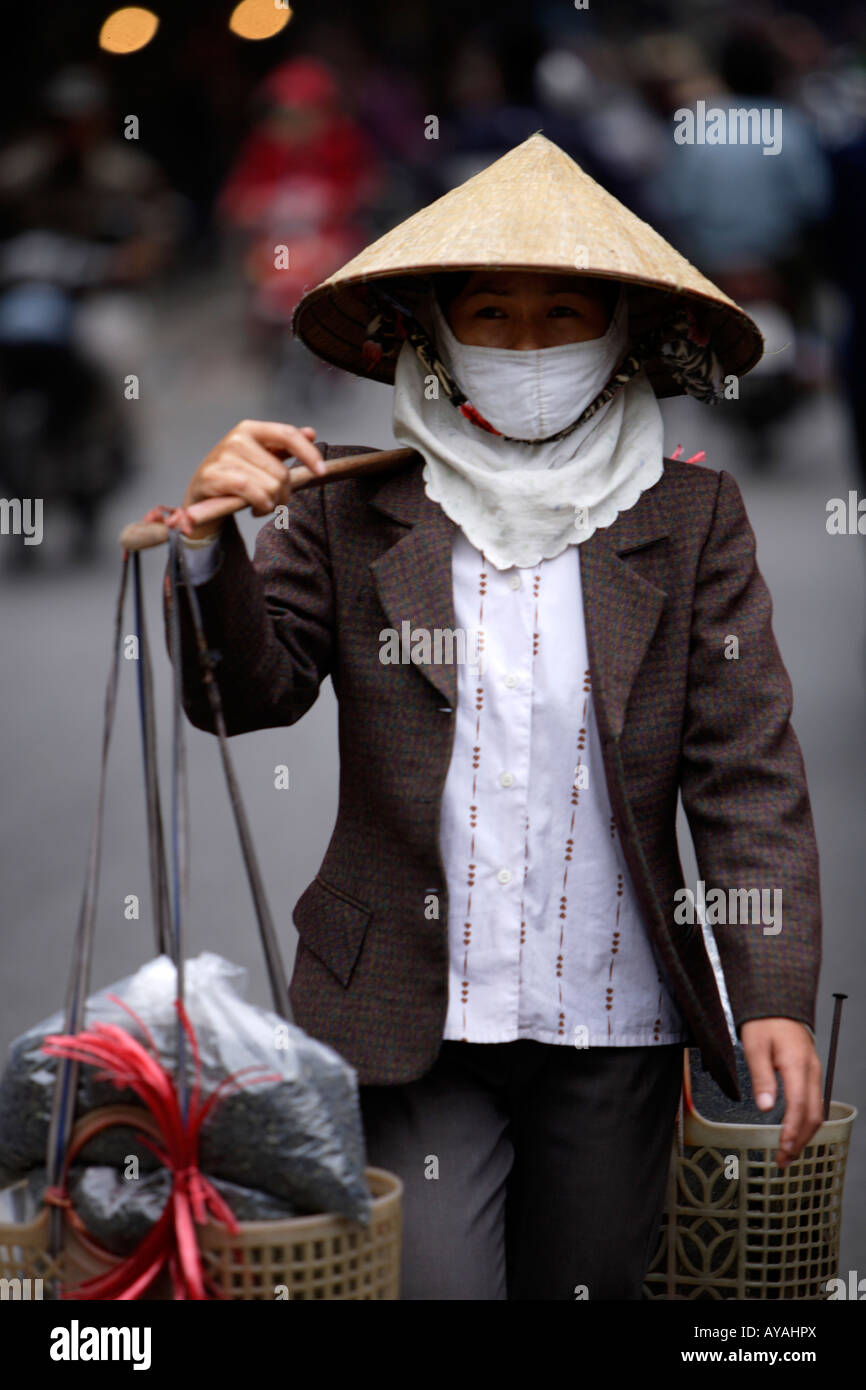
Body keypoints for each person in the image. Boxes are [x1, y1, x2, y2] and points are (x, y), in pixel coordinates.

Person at [163, 135, 823, 1300]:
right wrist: (211, 539)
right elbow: (245, 697)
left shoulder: (690, 516)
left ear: (618, 335)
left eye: (562, 313)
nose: (526, 347)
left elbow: (743, 772)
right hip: (411, 1020)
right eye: (491, 314)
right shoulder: (346, 508)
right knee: (437, 1285)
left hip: (612, 1014)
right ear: (433, 333)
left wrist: (768, 991)